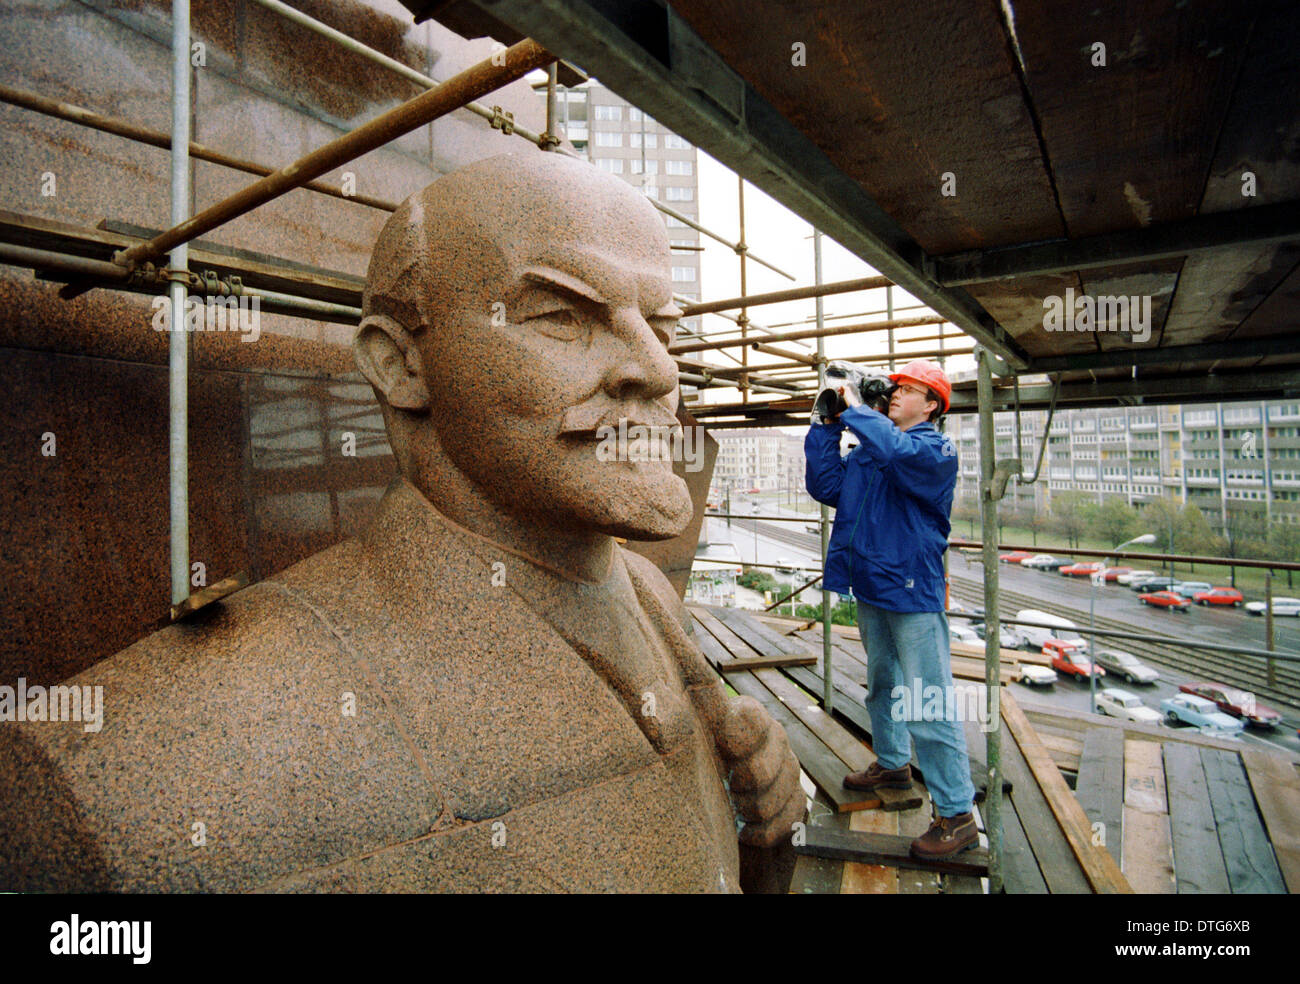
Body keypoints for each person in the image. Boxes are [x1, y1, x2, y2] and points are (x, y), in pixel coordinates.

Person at [0, 151, 804, 892]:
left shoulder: (644, 591)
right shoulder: (131, 776)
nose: (659, 369)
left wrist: (756, 790)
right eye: (562, 316)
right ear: (402, 364)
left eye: (663, 329)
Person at [804, 359, 978, 860]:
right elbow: (826, 487)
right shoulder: (873, 451)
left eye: (911, 389)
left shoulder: (933, 450)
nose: (898, 394)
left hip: (911, 590)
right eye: (894, 388)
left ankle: (956, 813)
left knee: (927, 700)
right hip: (873, 586)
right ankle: (893, 762)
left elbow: (899, 452)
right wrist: (825, 425)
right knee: (882, 683)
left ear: (932, 405)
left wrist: (859, 408)